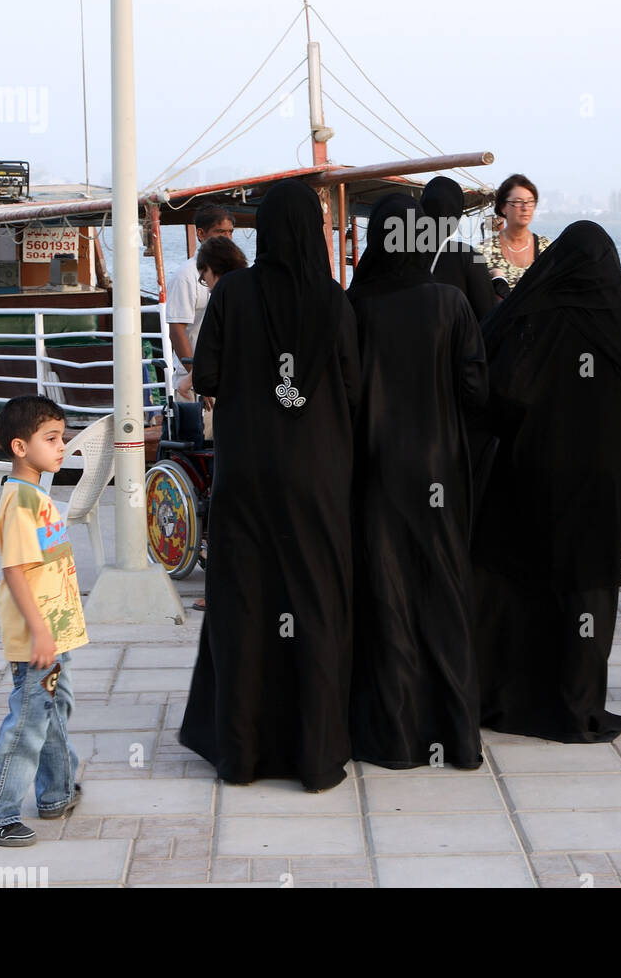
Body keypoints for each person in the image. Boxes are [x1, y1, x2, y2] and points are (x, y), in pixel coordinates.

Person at [179, 180, 360, 791]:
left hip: (247, 473)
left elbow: (205, 373)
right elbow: (354, 390)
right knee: (312, 602)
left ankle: (242, 754)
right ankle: (313, 755)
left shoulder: (233, 291)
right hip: (317, 475)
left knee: (247, 601)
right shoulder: (334, 302)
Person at [471, 222, 621, 742]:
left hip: (530, 470)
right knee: (586, 587)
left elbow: (491, 389)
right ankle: (576, 704)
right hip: (600, 480)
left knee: (517, 578)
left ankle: (504, 699)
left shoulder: (529, 314)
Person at [347, 193, 488, 769]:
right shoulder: (449, 303)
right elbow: (476, 393)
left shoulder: (352, 306)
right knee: (443, 592)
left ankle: (391, 734)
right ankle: (454, 734)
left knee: (384, 594)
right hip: (439, 469)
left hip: (373, 469)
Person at [0, 396, 87, 846]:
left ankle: (56, 792)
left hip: (55, 632)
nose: (62, 447)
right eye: (52, 439)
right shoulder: (19, 502)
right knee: (28, 722)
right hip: (38, 636)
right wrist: (40, 631)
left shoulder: (36, 494)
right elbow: (14, 571)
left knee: (54, 709)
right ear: (20, 447)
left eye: (63, 437)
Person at [176, 233, 248, 613]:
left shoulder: (225, 294)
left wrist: (196, 383)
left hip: (236, 420)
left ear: (211, 271)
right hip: (283, 416)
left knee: (224, 504)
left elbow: (206, 372)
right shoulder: (264, 289)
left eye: (203, 277)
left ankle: (219, 590)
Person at [166, 204, 235, 394]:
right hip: (194, 382)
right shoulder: (186, 275)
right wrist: (196, 379)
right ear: (201, 234)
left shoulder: (235, 273)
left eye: (230, 232)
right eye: (220, 232)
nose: (227, 238)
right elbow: (177, 331)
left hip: (229, 379)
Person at [420, 175, 497, 321]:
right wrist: (500, 282)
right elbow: (488, 314)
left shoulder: (398, 253)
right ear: (457, 215)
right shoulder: (469, 256)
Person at [482, 174, 551, 297]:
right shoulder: (484, 249)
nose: (525, 208)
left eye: (530, 202)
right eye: (518, 202)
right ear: (503, 207)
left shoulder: (546, 247)